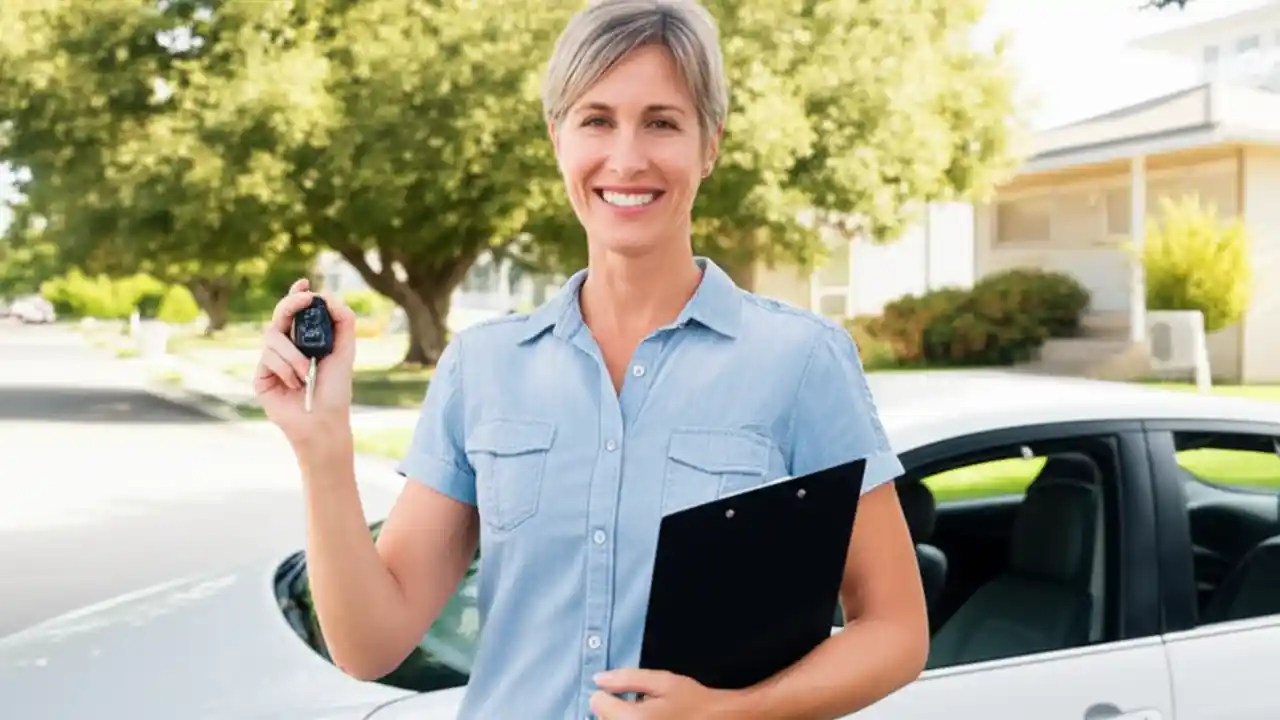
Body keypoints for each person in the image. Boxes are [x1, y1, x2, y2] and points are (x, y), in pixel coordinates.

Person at [255, 1, 928, 718]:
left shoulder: (800, 361)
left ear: (710, 145)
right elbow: (370, 646)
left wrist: (722, 713)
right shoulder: (483, 367)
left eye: (662, 122)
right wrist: (321, 449)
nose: (627, 158)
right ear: (558, 138)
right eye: (597, 120)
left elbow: (894, 631)